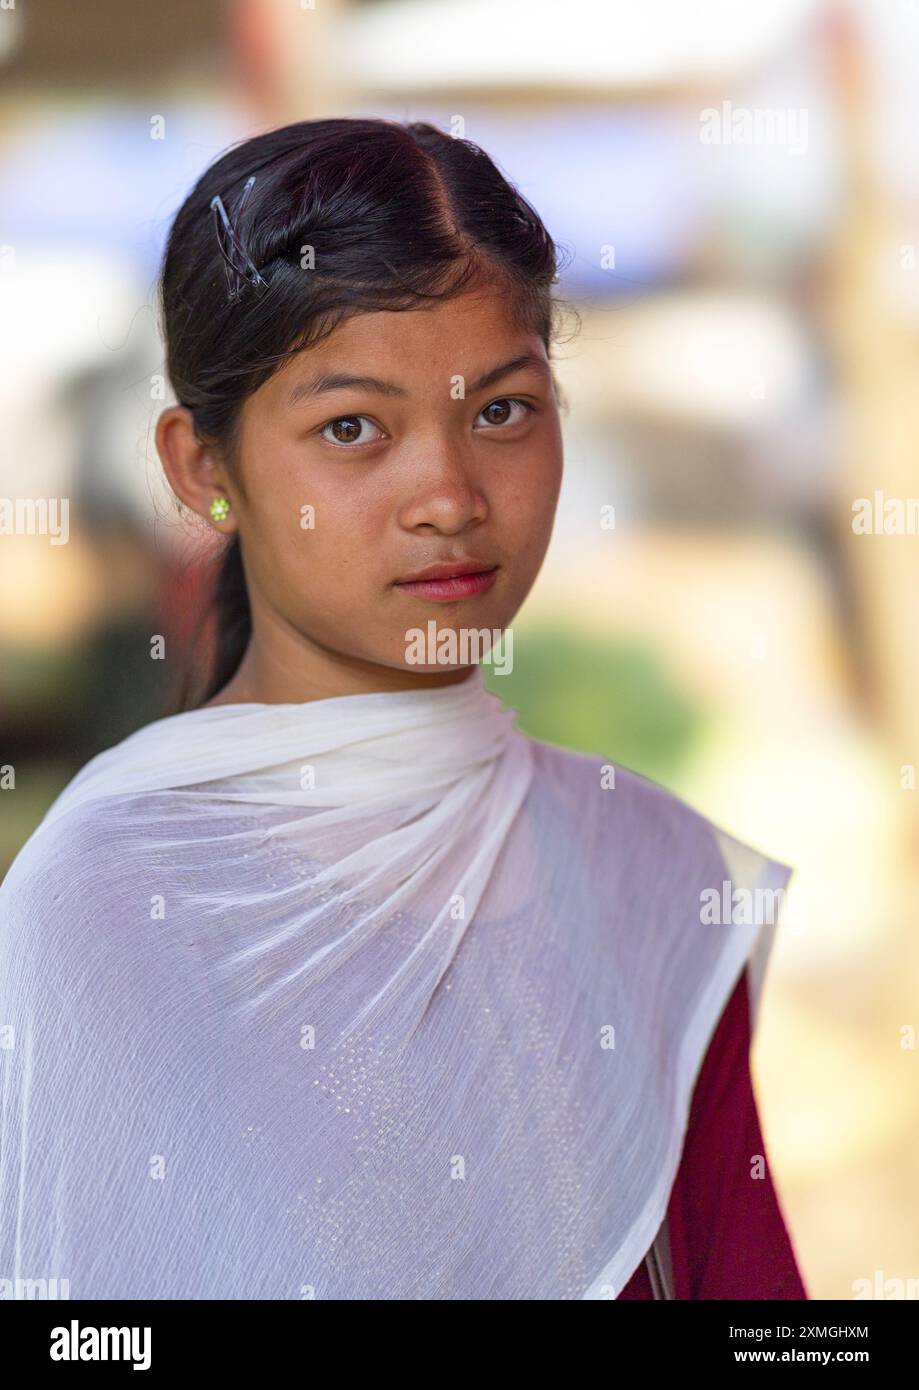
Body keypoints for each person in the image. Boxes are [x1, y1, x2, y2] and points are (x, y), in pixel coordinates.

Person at [0, 117, 806, 1300]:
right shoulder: (111, 903)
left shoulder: (649, 876)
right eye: (351, 429)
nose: (447, 495)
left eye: (500, 412)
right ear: (201, 468)